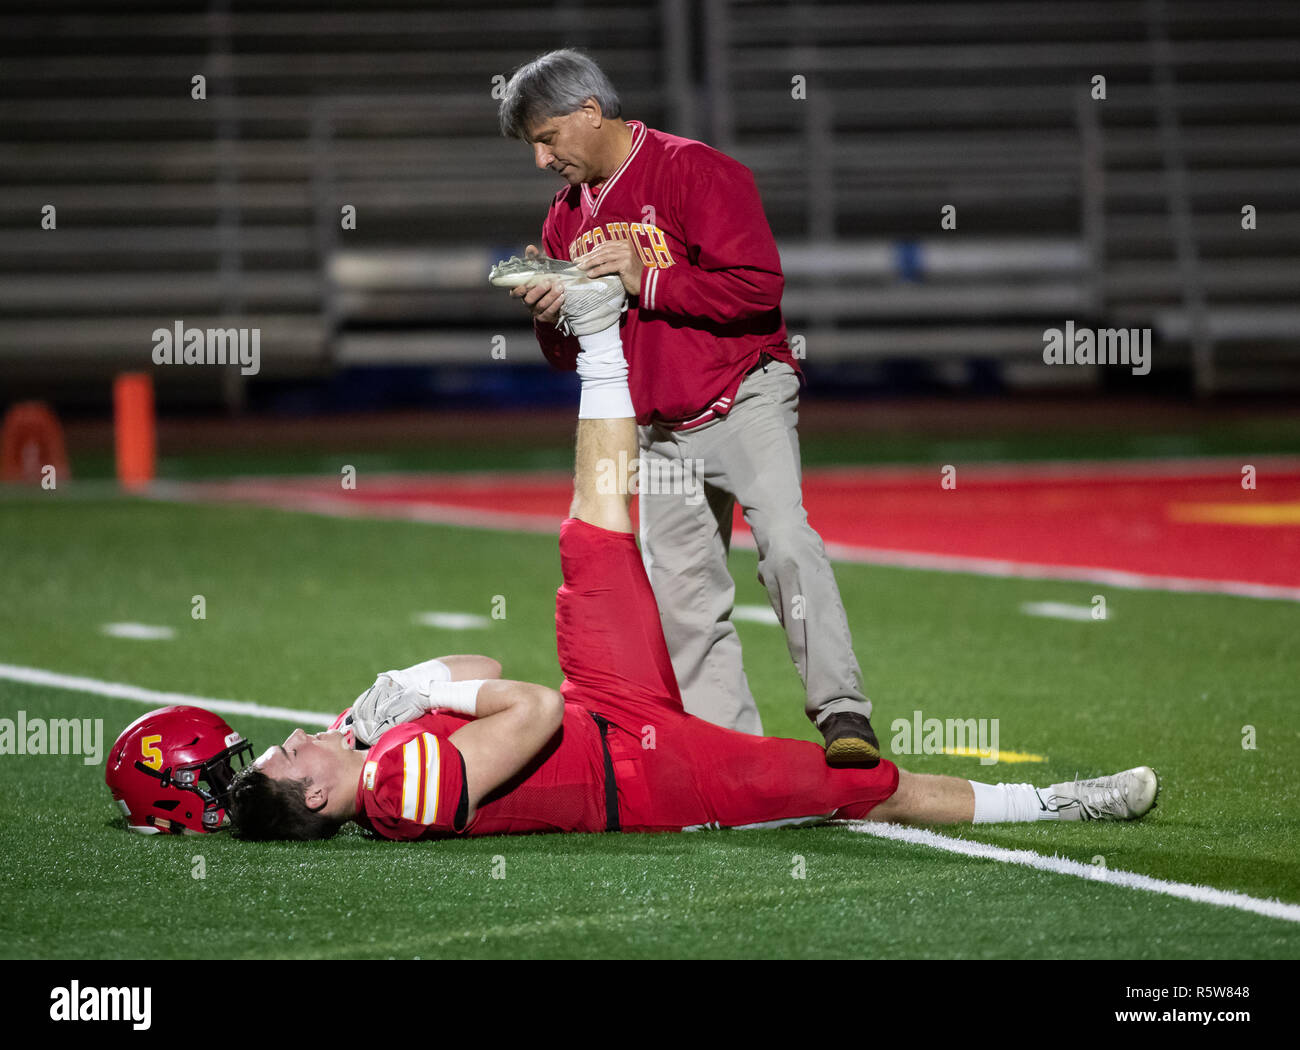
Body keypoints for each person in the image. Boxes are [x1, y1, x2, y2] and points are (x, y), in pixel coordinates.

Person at [226, 280, 1159, 842]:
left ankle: (600, 336)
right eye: (291, 753)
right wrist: (416, 693)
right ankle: (1049, 803)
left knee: (588, 540)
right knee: (849, 786)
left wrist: (394, 689)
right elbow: (527, 705)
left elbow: (482, 671)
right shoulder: (391, 791)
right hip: (640, 772)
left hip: (602, 709)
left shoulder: (371, 754)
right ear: (311, 792)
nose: (301, 736)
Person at [496, 47, 878, 765]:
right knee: (684, 600)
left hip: (742, 394)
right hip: (658, 430)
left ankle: (842, 713)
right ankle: (735, 755)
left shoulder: (693, 169)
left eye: (547, 139)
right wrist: (550, 315)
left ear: (589, 111)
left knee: (788, 543)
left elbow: (758, 288)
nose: (542, 160)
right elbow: (571, 357)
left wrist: (649, 280)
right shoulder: (563, 218)